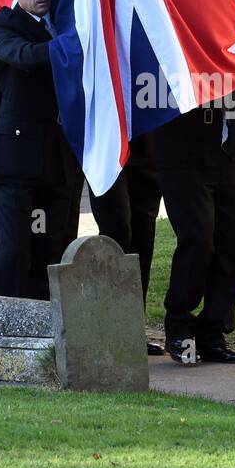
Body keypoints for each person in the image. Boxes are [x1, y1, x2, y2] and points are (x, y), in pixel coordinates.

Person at [153, 0, 235, 365]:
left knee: (231, 243)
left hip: (232, 145)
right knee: (197, 239)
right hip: (182, 145)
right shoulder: (172, 0)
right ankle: (179, 325)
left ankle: (214, 331)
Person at [0, 0, 80, 300]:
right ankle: (11, 324)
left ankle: (49, 325)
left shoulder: (60, 21)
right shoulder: (2, 26)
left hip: (58, 158)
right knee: (15, 250)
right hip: (17, 160)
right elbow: (23, 57)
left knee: (54, 246)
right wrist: (74, 44)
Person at [87, 133, 164, 355]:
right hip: (106, 139)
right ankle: (109, 328)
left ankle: (133, 329)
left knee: (143, 233)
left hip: (146, 138)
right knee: (116, 232)